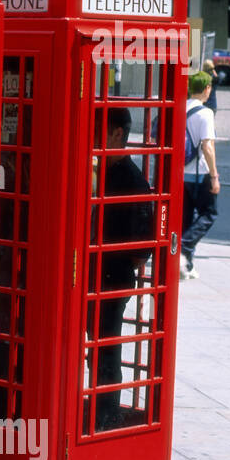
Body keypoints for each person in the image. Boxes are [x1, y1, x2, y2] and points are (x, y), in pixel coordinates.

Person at [90, 107, 154, 430]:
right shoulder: (95, 171)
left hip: (112, 278)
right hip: (86, 274)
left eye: (99, 129)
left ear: (117, 134)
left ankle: (107, 413)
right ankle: (92, 410)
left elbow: (143, 249)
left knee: (106, 348)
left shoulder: (133, 181)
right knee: (92, 348)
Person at [181, 70, 220, 278]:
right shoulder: (206, 113)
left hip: (180, 173)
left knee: (186, 219)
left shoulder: (180, 108)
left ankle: (185, 265)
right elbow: (207, 146)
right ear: (206, 89)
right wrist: (214, 175)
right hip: (199, 174)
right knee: (209, 214)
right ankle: (184, 247)